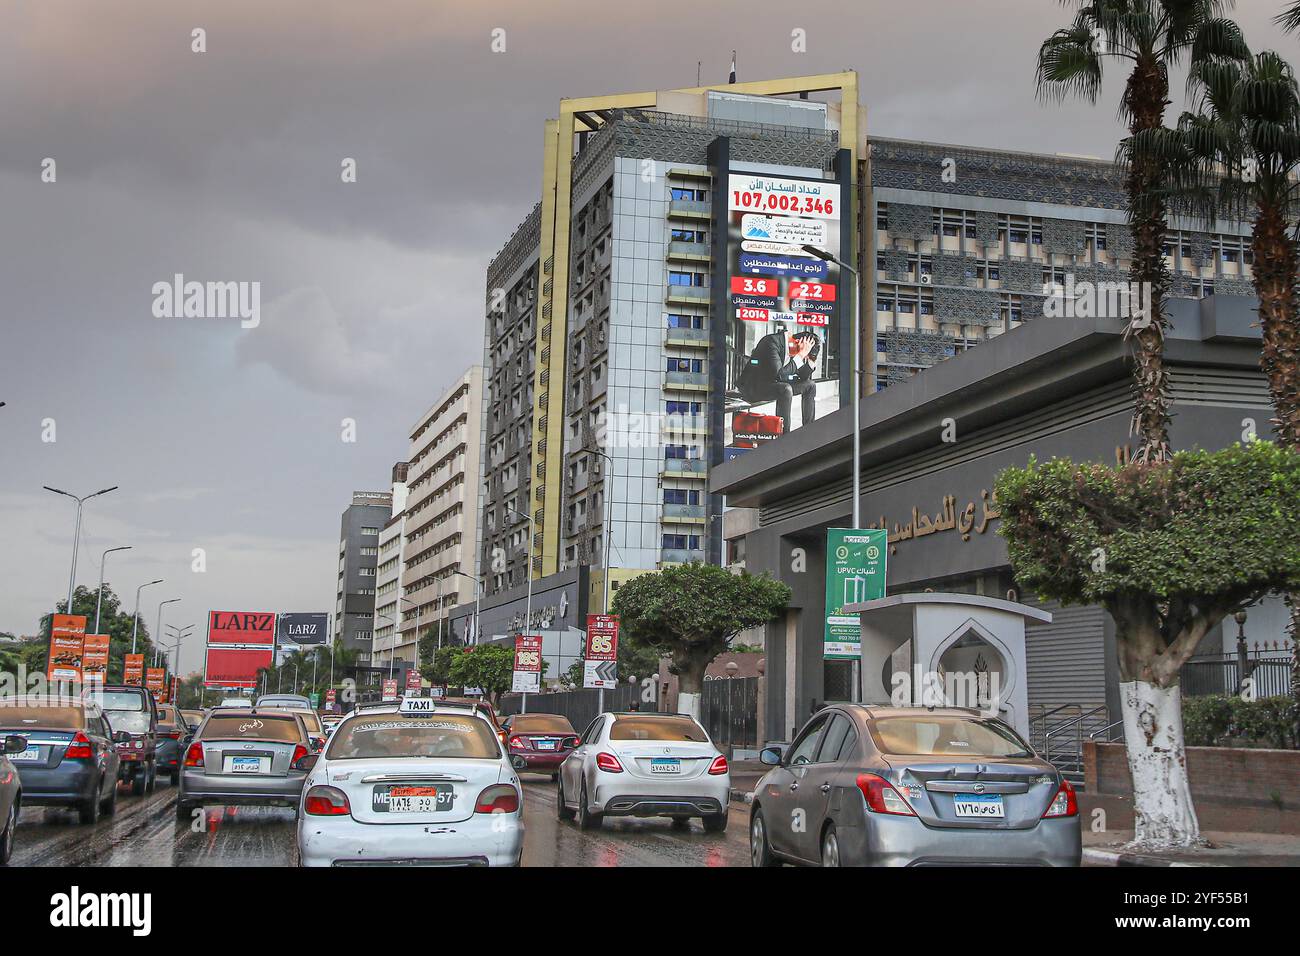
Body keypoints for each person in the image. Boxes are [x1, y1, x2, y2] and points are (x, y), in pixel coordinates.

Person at [736, 327, 820, 434]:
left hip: (776, 385)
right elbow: (778, 375)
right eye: (805, 351)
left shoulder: (794, 349)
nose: (803, 356)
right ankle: (784, 435)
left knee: (810, 385)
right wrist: (800, 355)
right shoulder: (771, 342)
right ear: (798, 342)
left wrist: (811, 359)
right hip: (754, 388)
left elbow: (802, 377)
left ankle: (809, 431)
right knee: (786, 389)